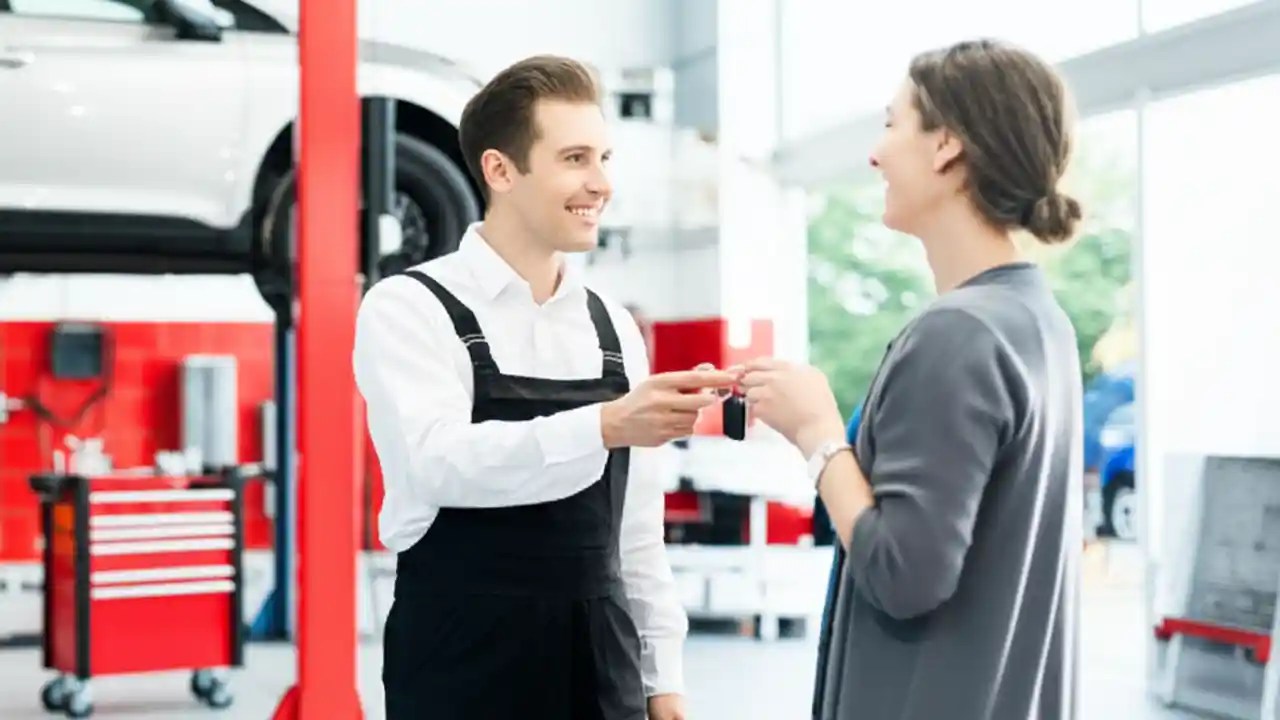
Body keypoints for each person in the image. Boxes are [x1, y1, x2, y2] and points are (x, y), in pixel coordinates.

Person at [353, 55, 733, 720]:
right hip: (461, 660)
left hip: (602, 666)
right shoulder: (409, 307)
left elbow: (635, 532)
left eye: (605, 157)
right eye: (576, 158)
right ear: (501, 170)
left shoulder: (612, 327)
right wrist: (605, 425)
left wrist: (663, 679)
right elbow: (437, 464)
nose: (601, 183)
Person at [738, 39, 1086, 719]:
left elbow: (901, 574)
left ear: (947, 146)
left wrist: (817, 433)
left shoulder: (957, 335)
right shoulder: (1040, 323)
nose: (875, 152)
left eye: (893, 124)